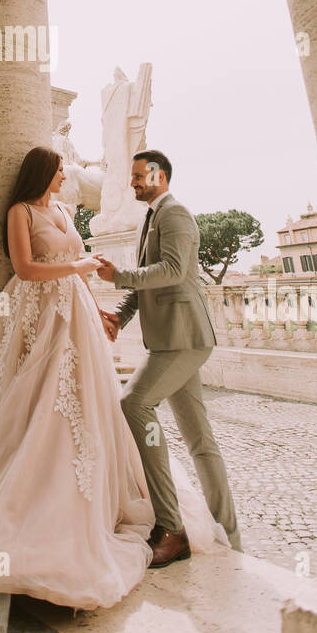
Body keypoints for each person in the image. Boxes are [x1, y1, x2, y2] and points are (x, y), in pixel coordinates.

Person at [0, 146, 227, 633]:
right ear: (44, 173)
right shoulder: (19, 212)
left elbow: (83, 262)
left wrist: (104, 312)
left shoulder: (64, 211)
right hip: (37, 316)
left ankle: (180, 518)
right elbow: (25, 270)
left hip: (77, 316)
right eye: (62, 167)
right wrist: (80, 271)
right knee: (41, 405)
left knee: (88, 407)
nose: (68, 173)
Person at [95, 150, 242, 565]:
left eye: (140, 176)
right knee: (200, 442)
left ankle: (172, 528)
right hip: (172, 340)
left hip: (184, 339)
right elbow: (150, 281)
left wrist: (118, 275)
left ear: (160, 176)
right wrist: (120, 316)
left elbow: (173, 271)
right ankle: (228, 535)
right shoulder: (151, 218)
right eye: (134, 177)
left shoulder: (175, 215)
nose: (134, 183)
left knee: (134, 403)